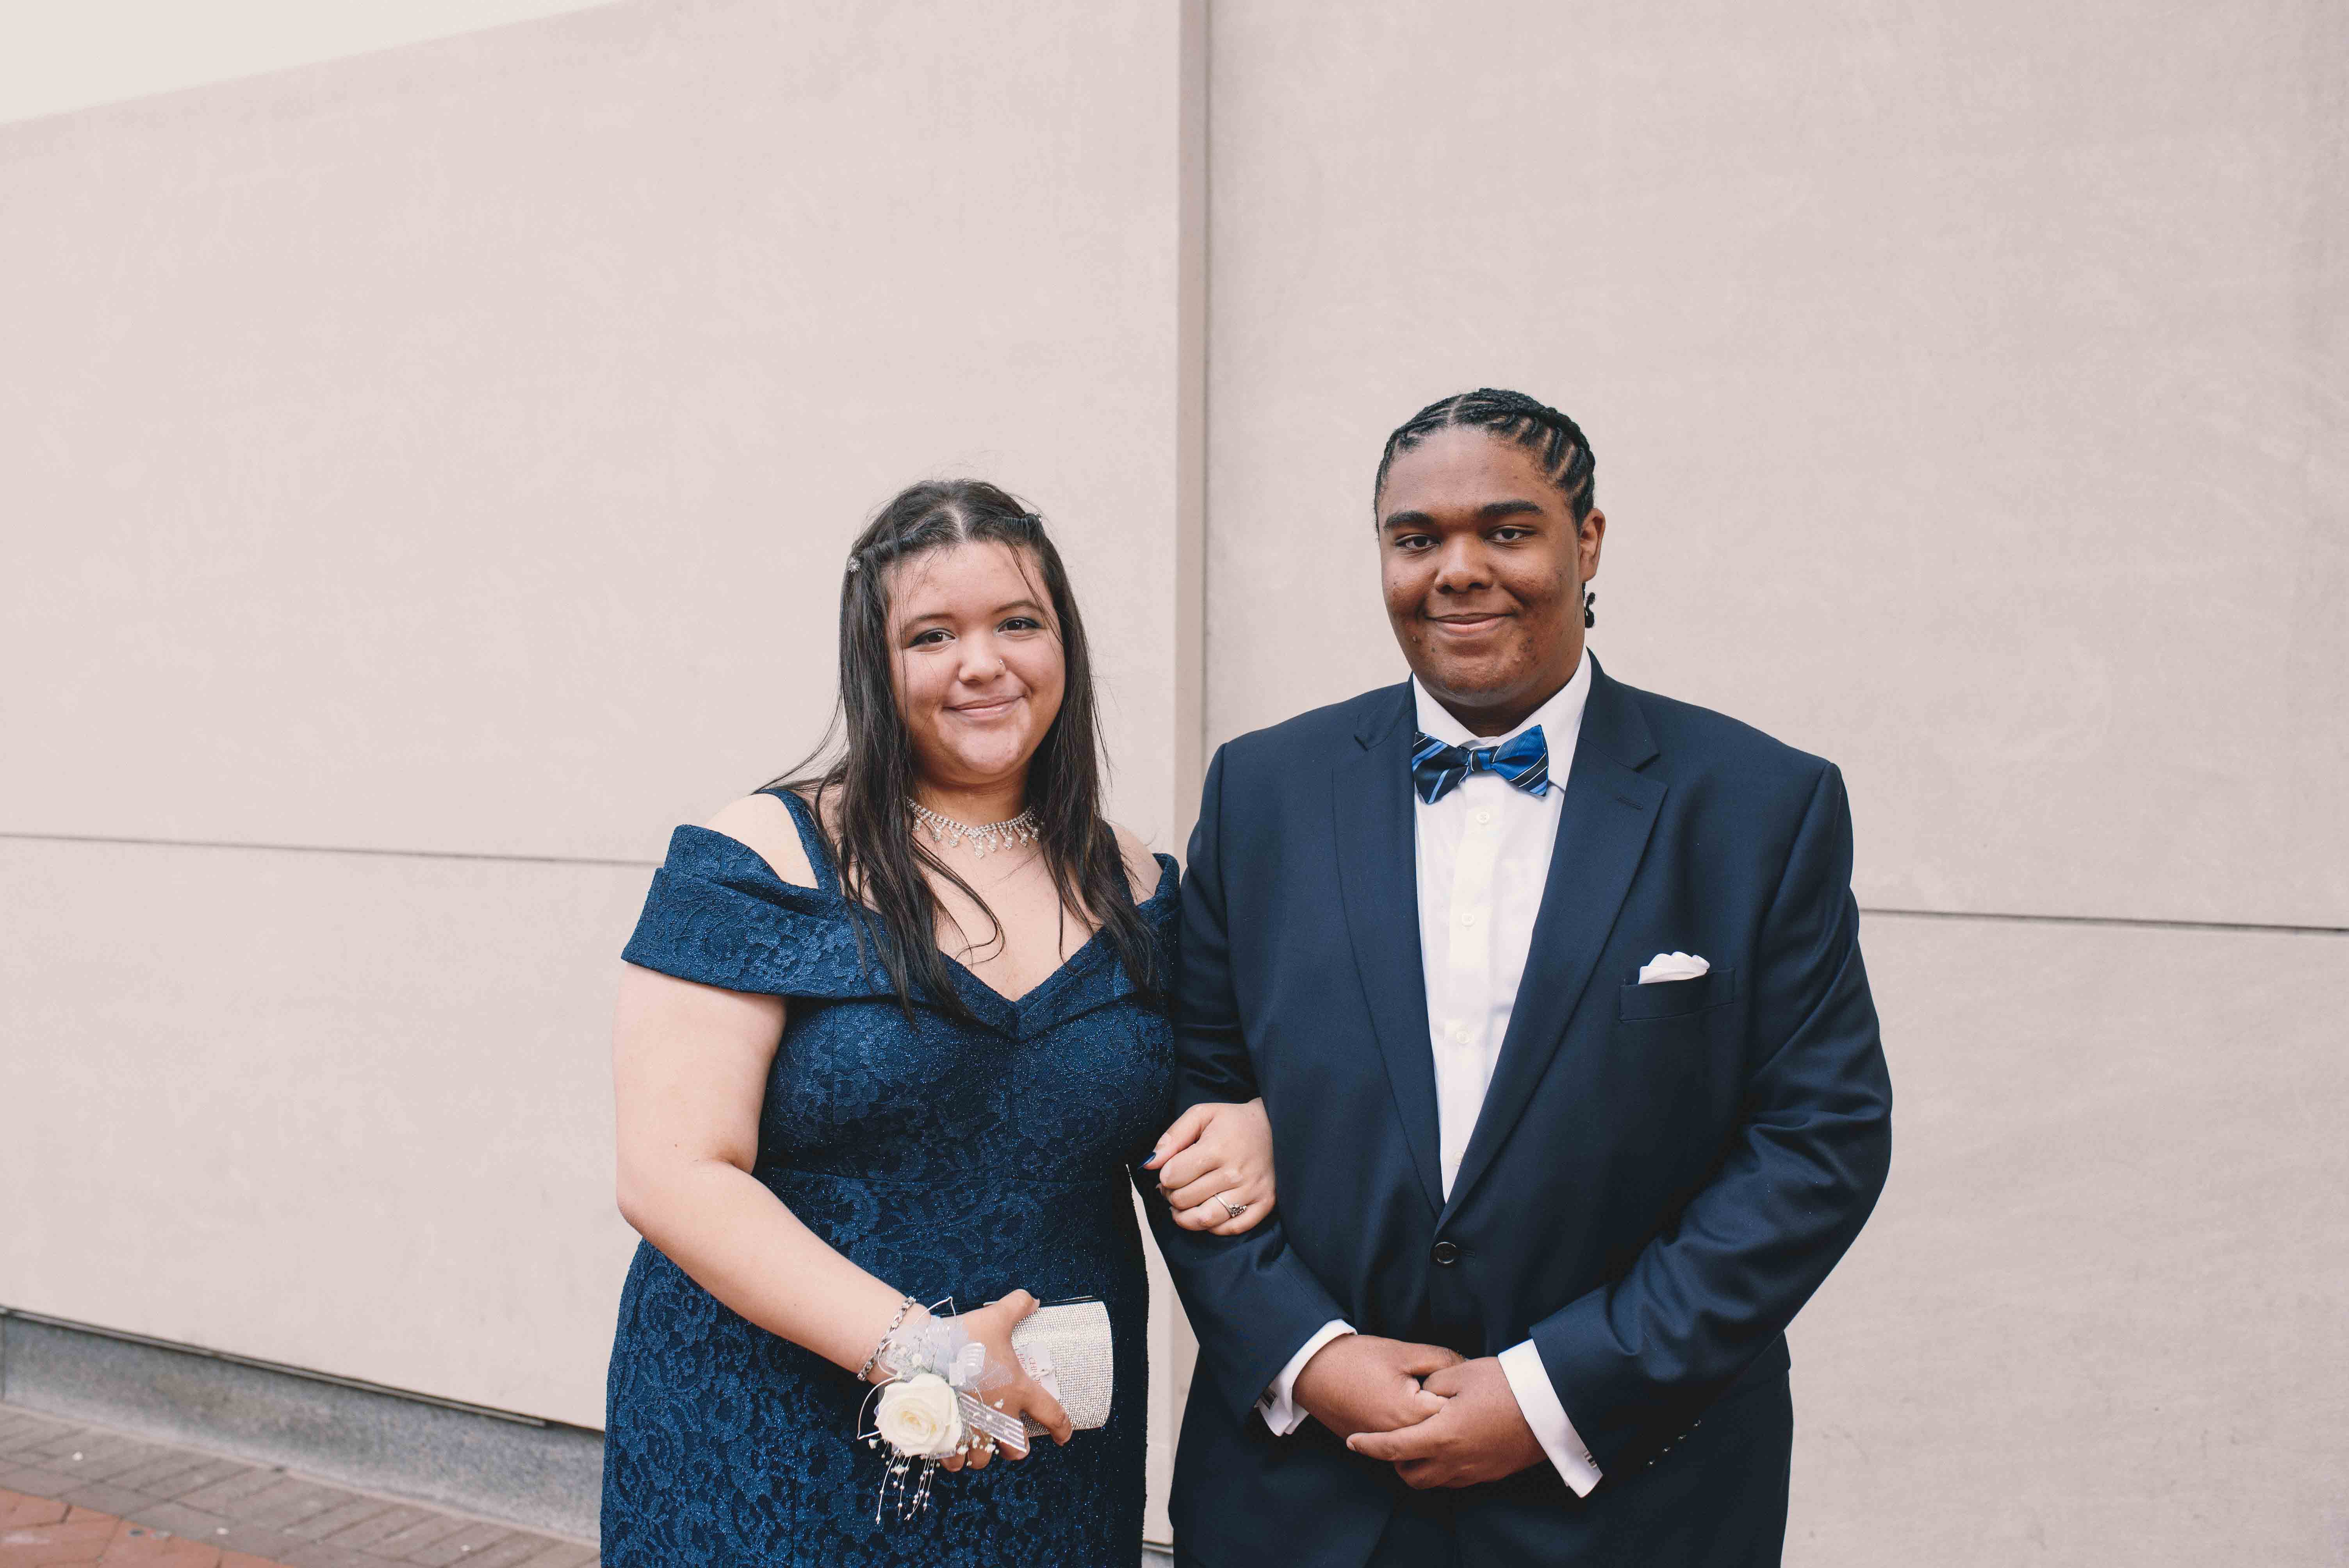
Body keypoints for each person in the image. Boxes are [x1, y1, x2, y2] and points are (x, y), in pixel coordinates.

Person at [1148, 390, 1894, 1567]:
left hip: (1635, 1498)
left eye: (1506, 530)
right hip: (1304, 1498)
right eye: (1416, 539)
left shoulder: (1763, 806)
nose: (1458, 570)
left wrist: (1554, 1393)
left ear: (1587, 541)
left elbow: (1818, 1142)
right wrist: (1313, 1358)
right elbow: (1186, 1106)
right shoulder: (1263, 792)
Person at [600, 479, 1275, 1567]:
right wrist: (928, 1357)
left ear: (1065, 644)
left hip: (1044, 1447)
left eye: (1019, 623)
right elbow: (671, 1174)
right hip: (770, 1436)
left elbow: (1198, 1114)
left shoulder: (1140, 885)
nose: (983, 663)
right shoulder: (762, 860)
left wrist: (1247, 1122)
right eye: (932, 635)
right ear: (874, 663)